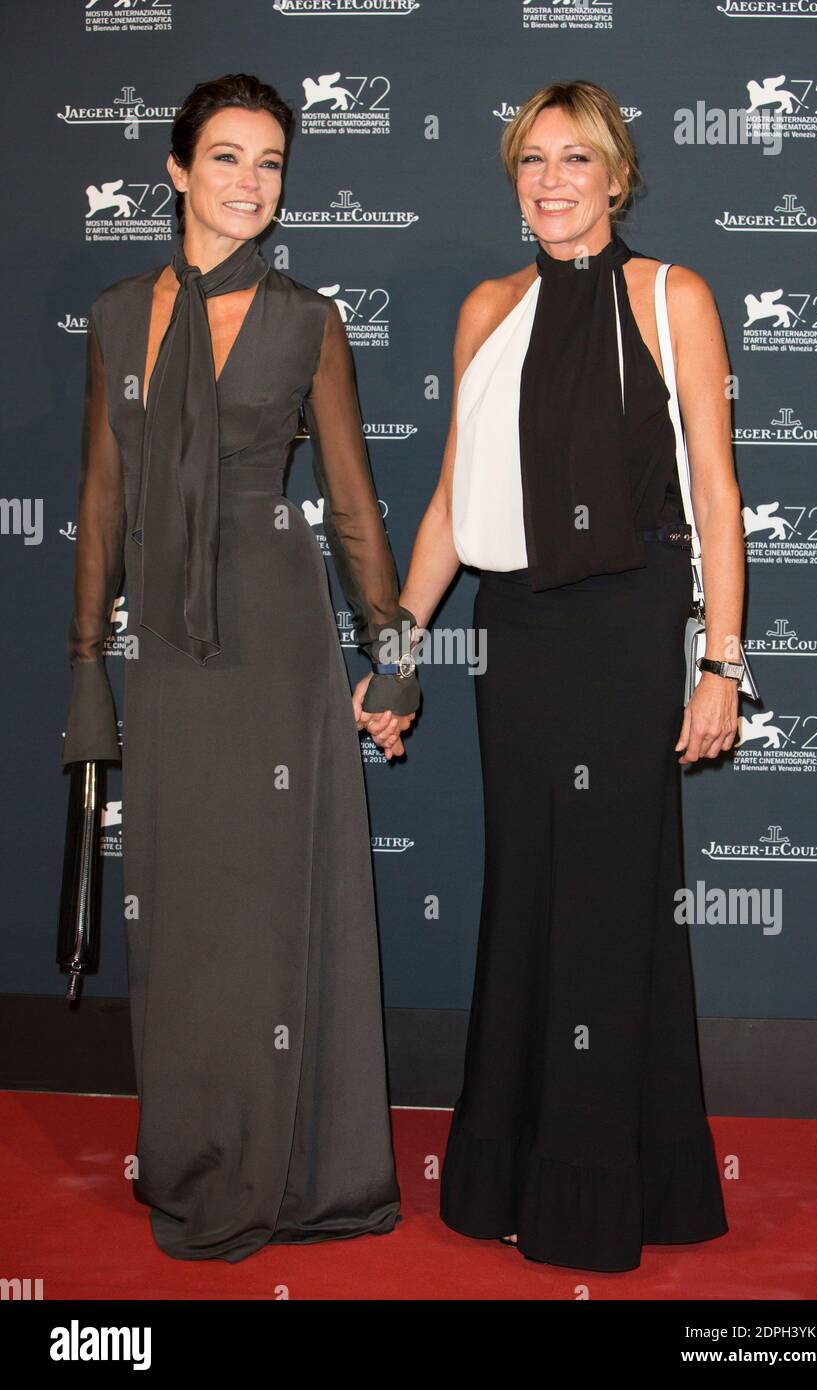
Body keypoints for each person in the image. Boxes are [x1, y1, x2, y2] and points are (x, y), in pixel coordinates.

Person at [359, 80, 737, 1271]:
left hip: (626, 632)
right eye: (532, 160)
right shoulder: (485, 304)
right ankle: (507, 1173)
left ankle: (611, 1187)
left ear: (616, 176)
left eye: (577, 158)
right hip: (515, 639)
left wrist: (720, 662)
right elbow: (446, 507)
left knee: (612, 904)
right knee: (526, 891)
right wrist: (397, 651)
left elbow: (716, 494)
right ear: (513, 177)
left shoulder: (671, 295)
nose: (553, 179)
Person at [61, 73, 419, 1263]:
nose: (250, 184)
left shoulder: (306, 318)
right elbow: (102, 503)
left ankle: (302, 1165)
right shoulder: (119, 315)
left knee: (270, 909)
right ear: (176, 170)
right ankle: (200, 1149)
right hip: (167, 648)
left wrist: (395, 656)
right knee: (187, 915)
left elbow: (356, 506)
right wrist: (82, 668)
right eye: (226, 158)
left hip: (275, 640)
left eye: (270, 163)